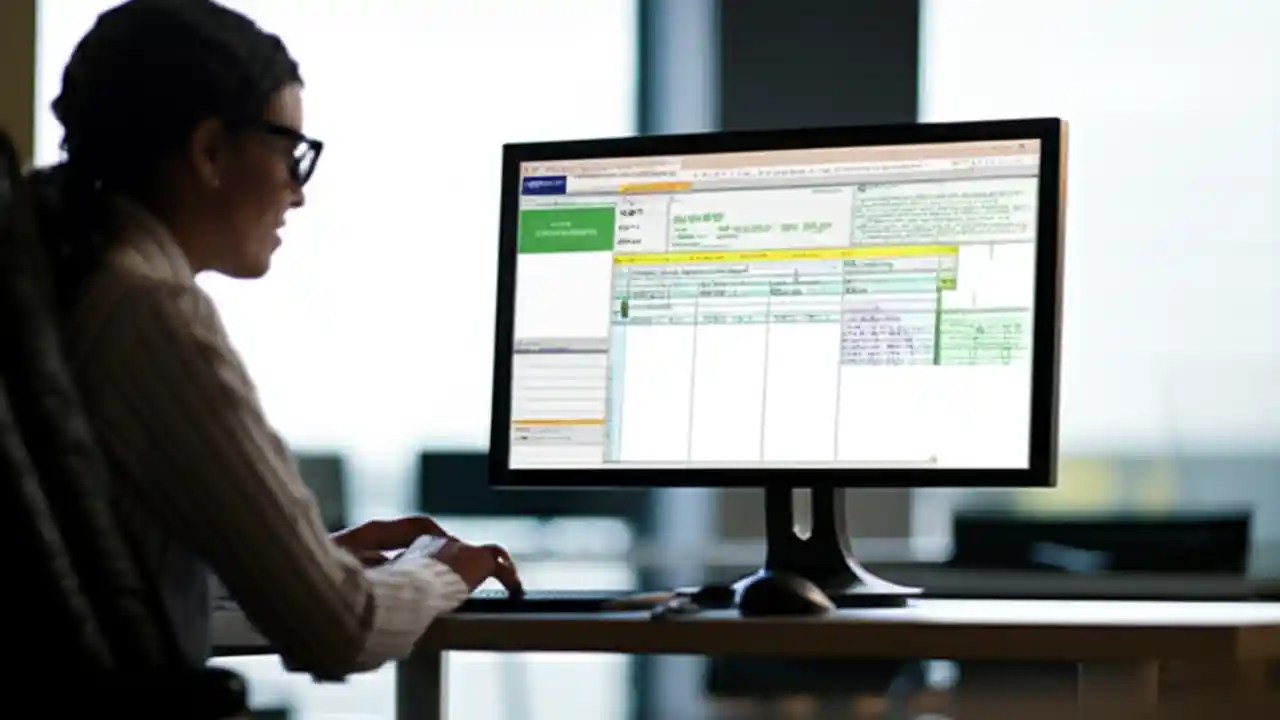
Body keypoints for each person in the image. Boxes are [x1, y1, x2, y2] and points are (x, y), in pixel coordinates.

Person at [26, 0, 522, 681]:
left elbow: (119, 582)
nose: (297, 193)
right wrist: (439, 573)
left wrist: (299, 557)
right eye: (291, 154)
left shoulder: (59, 275)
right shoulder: (149, 312)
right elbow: (339, 630)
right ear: (209, 152)